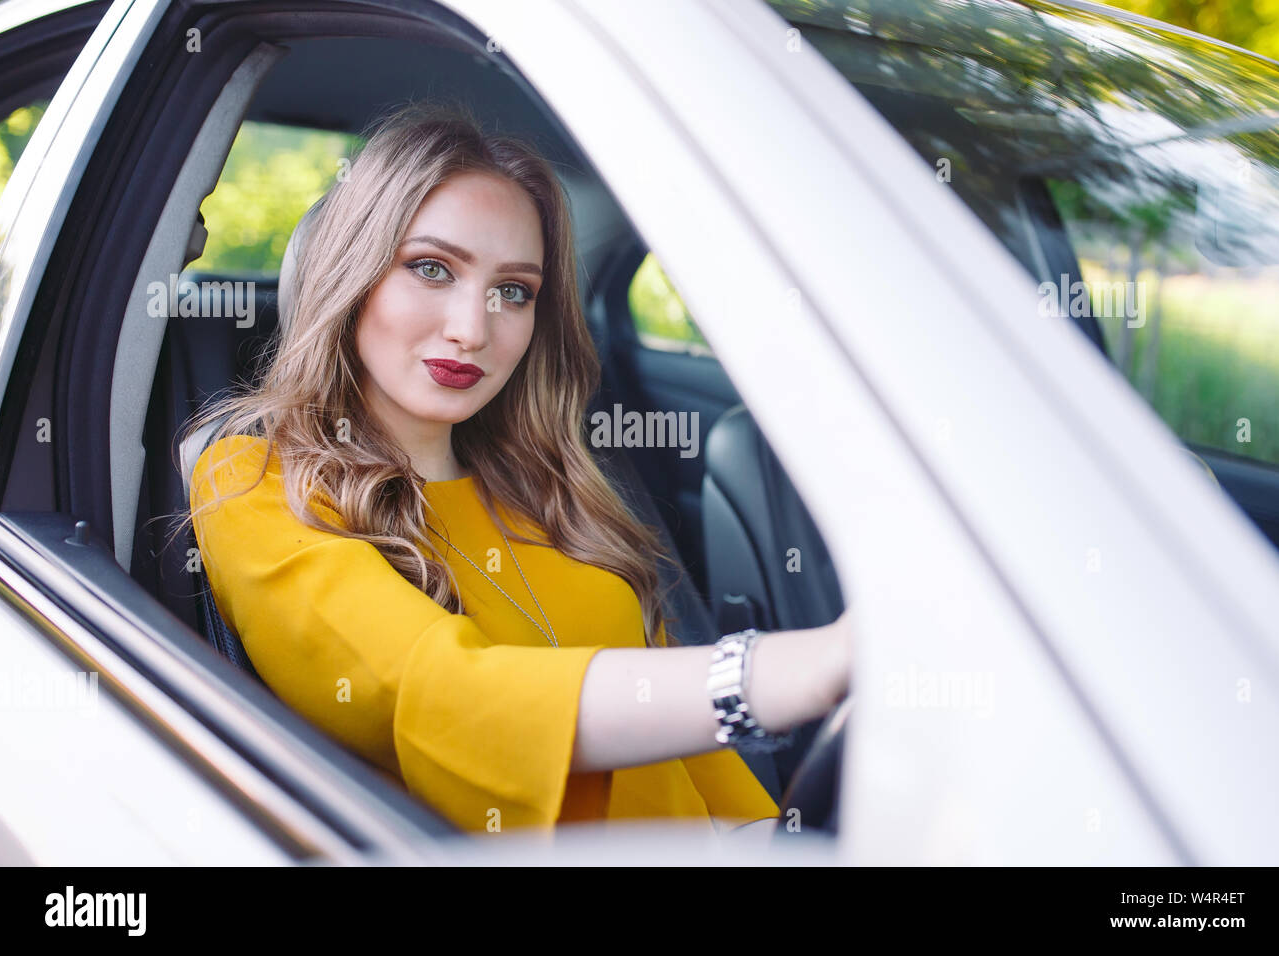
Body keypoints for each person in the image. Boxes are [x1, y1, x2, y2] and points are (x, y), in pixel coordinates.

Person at [179, 101, 850, 838]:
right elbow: (436, 695)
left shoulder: (553, 487)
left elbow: (697, 772)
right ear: (352, 273)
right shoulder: (253, 480)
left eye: (513, 291)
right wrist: (796, 670)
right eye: (431, 269)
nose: (473, 328)